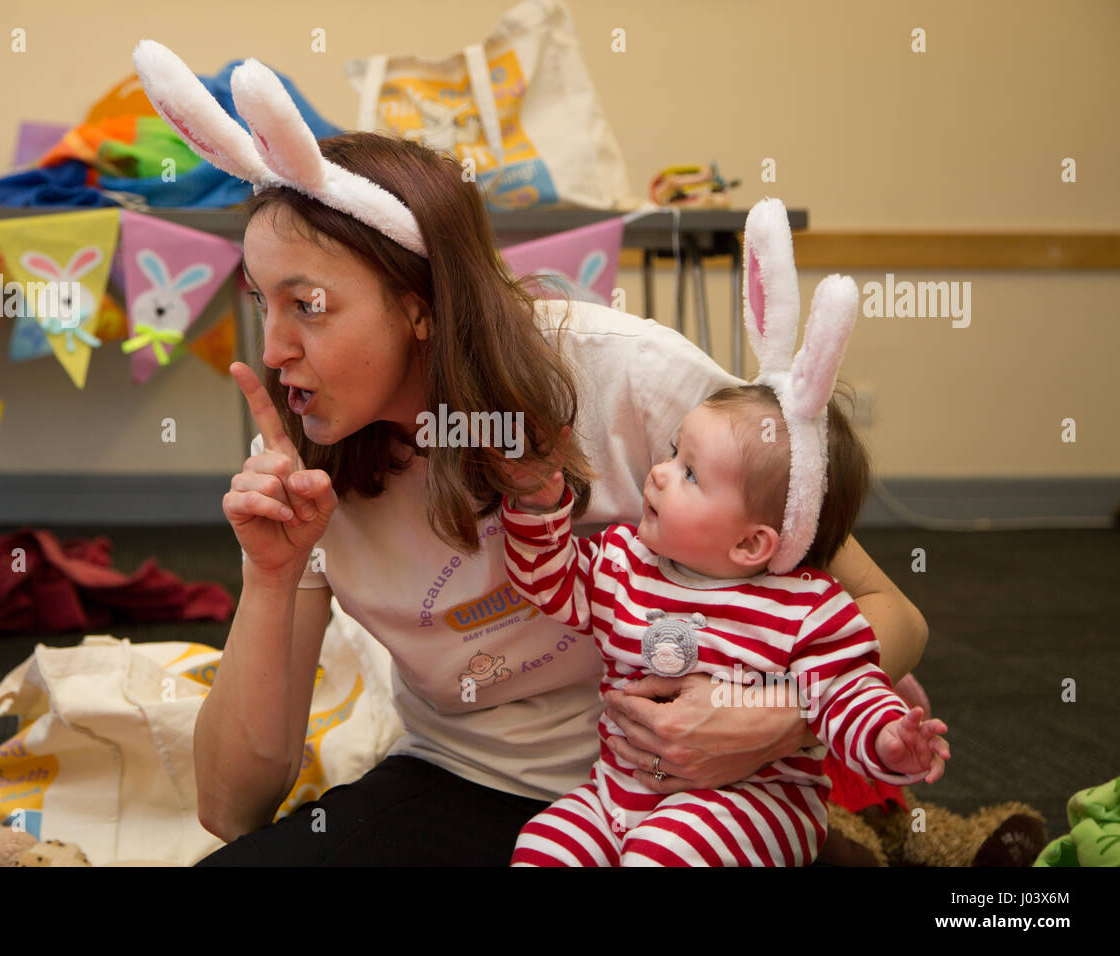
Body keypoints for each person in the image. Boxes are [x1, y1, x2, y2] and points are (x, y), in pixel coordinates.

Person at [129, 44, 930, 866]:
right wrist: (271, 575)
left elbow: (893, 616)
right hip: (475, 783)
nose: (274, 351)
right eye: (263, 303)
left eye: (308, 305)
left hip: (703, 803)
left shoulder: (630, 378)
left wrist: (778, 713)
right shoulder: (315, 466)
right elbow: (231, 806)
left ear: (422, 308)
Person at [499, 385, 950, 866]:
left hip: (756, 805)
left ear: (751, 544)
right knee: (542, 844)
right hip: (620, 793)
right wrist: (539, 508)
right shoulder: (623, 562)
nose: (658, 471)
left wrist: (887, 738)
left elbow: (847, 690)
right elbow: (551, 583)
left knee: (661, 853)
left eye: (688, 473)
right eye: (674, 453)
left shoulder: (807, 608)